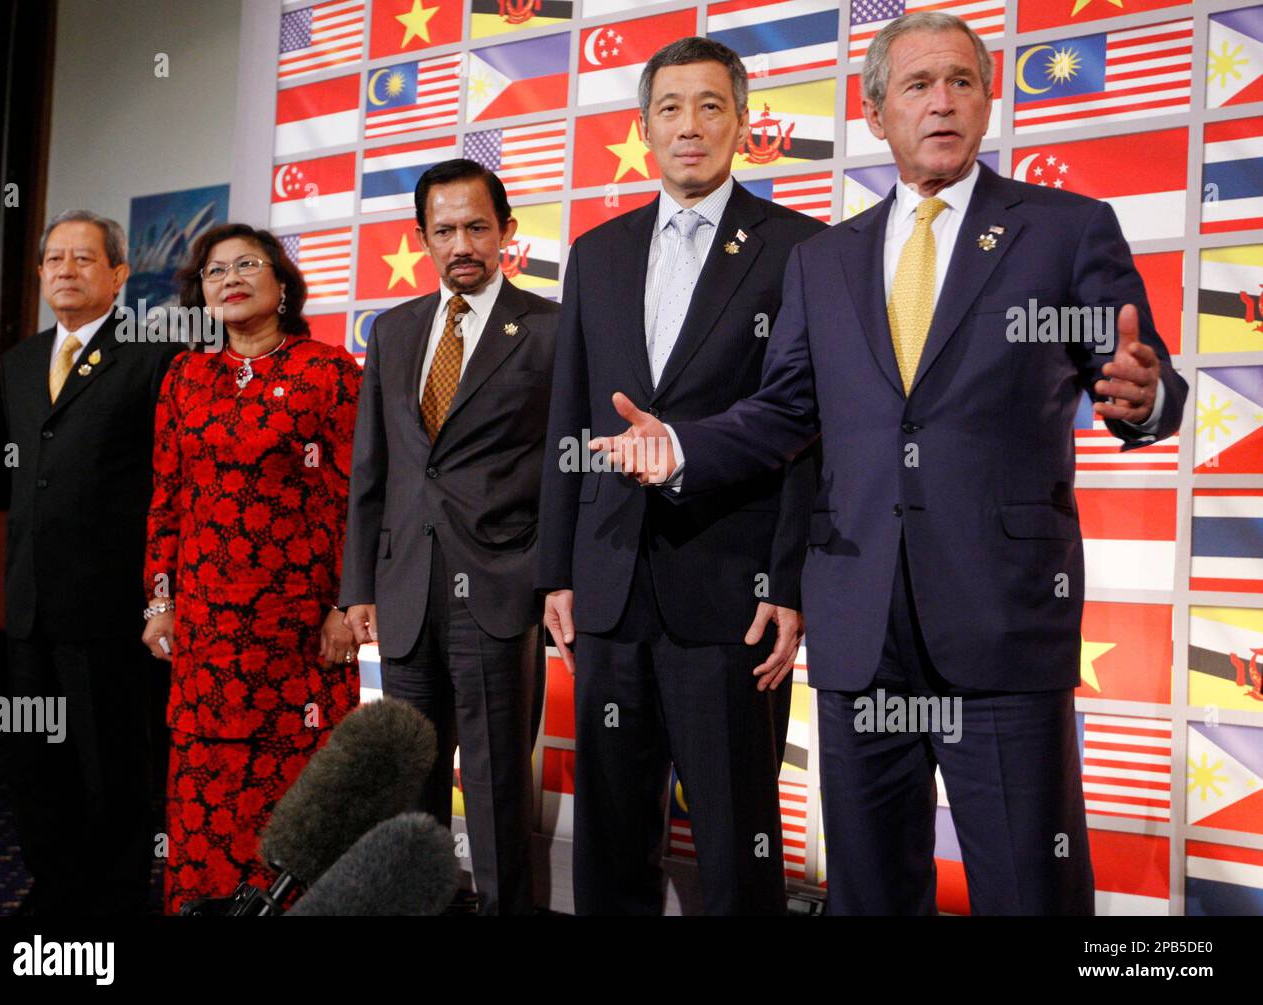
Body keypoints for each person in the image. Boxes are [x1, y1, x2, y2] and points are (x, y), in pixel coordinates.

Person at [594, 12, 1188, 916]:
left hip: (999, 621)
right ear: (876, 113)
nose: (941, 102)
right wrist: (681, 445)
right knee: (870, 890)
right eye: (916, 86)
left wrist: (1147, 402)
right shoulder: (824, 261)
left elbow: (1140, 374)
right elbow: (785, 409)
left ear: (988, 102)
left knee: (1029, 885)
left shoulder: (1066, 230)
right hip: (858, 619)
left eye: (960, 81)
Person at [536, 38, 823, 916]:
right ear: (644, 127)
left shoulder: (804, 249)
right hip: (611, 583)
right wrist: (557, 567)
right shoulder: (597, 251)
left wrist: (790, 579)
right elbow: (570, 418)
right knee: (613, 837)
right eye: (669, 108)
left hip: (733, 593)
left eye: (709, 106)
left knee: (739, 841)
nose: (688, 126)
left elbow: (810, 430)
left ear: (742, 121)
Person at [340, 160, 557, 916]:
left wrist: (550, 571)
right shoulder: (394, 329)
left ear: (506, 231)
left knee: (496, 788)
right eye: (443, 230)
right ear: (422, 237)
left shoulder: (549, 329)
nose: (460, 243)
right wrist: (357, 587)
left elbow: (567, 469)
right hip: (402, 591)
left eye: (475, 226)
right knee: (409, 779)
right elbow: (374, 467)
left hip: (496, 588)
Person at [142, 223, 360, 915]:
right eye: (214, 270)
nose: (229, 277)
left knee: (297, 807)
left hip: (301, 632)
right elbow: (167, 501)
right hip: (205, 633)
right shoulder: (185, 376)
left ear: (282, 283)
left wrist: (346, 604)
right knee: (205, 803)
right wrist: (158, 603)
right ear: (200, 292)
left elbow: (361, 497)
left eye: (247, 265)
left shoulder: (330, 371)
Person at [0, 209, 183, 915]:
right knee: (35, 762)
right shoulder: (19, 361)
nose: (65, 271)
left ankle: (112, 893)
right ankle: (54, 883)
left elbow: (169, 483)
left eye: (83, 259)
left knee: (110, 764)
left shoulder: (154, 356)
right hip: (29, 602)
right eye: (54, 260)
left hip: (109, 605)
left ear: (119, 274)